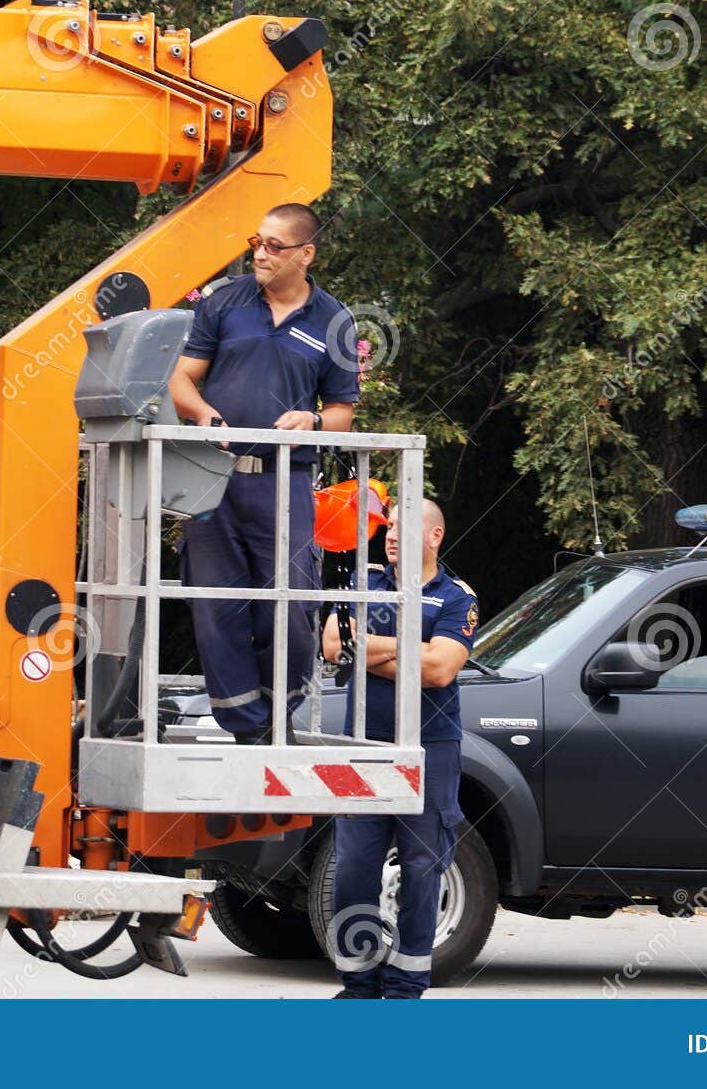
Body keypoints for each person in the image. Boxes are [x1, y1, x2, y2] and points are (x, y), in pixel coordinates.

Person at [168, 203, 359, 743]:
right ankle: (248, 729)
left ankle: (279, 714)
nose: (260, 253)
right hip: (214, 478)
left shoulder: (334, 320)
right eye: (257, 240)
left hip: (286, 481)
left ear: (305, 254)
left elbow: (342, 416)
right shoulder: (224, 300)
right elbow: (181, 380)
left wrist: (314, 418)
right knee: (215, 608)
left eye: (275, 246)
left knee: (293, 605)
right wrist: (202, 413)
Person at [321, 498, 477, 998]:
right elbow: (332, 646)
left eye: (404, 529)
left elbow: (440, 671)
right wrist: (414, 648)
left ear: (434, 537)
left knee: (421, 869)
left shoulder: (455, 597)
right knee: (353, 871)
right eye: (388, 528)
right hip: (362, 746)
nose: (390, 536)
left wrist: (369, 649)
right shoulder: (361, 584)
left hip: (431, 748)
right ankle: (359, 982)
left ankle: (406, 985)